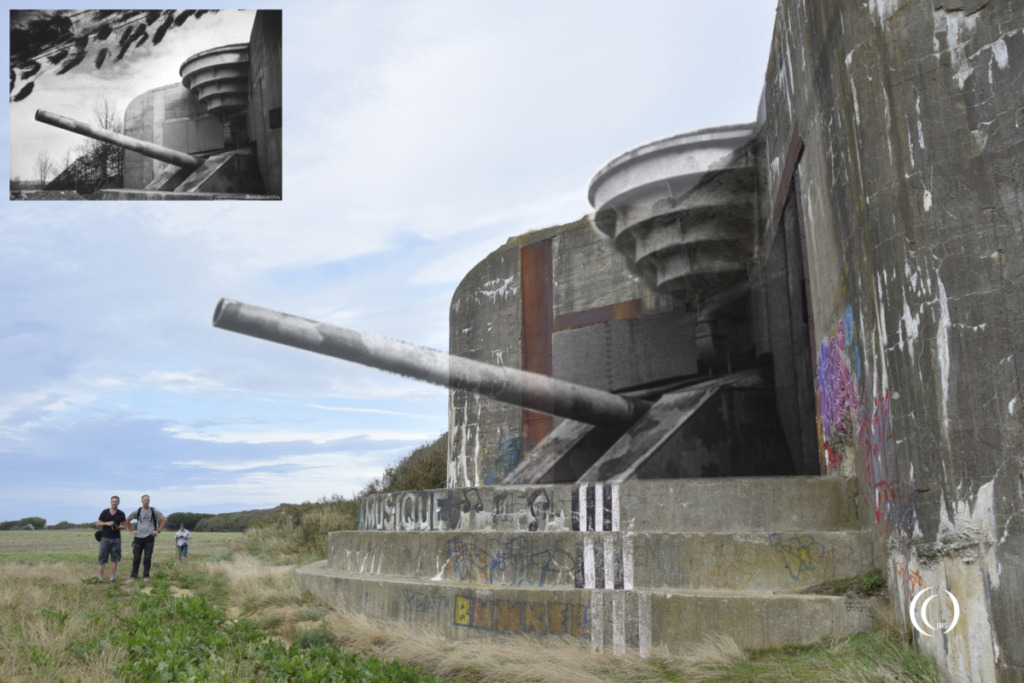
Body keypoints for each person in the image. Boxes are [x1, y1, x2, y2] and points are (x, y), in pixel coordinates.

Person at [127, 494, 166, 581]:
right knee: (136, 557)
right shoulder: (137, 511)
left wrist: (158, 530)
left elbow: (164, 519)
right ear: (142, 501)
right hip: (138, 538)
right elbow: (127, 520)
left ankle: (146, 576)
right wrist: (132, 530)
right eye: (145, 500)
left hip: (149, 537)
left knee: (147, 557)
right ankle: (133, 576)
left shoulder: (153, 511)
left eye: (148, 500)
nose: (147, 502)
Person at [95, 495, 126, 583]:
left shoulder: (121, 513)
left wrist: (117, 527)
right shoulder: (105, 512)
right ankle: (100, 578)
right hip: (105, 538)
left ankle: (112, 578)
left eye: (116, 501)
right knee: (102, 559)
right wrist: (106, 523)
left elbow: (124, 526)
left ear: (118, 503)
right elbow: (97, 524)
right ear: (110, 502)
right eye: (113, 501)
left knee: (114, 559)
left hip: (116, 539)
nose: (114, 503)